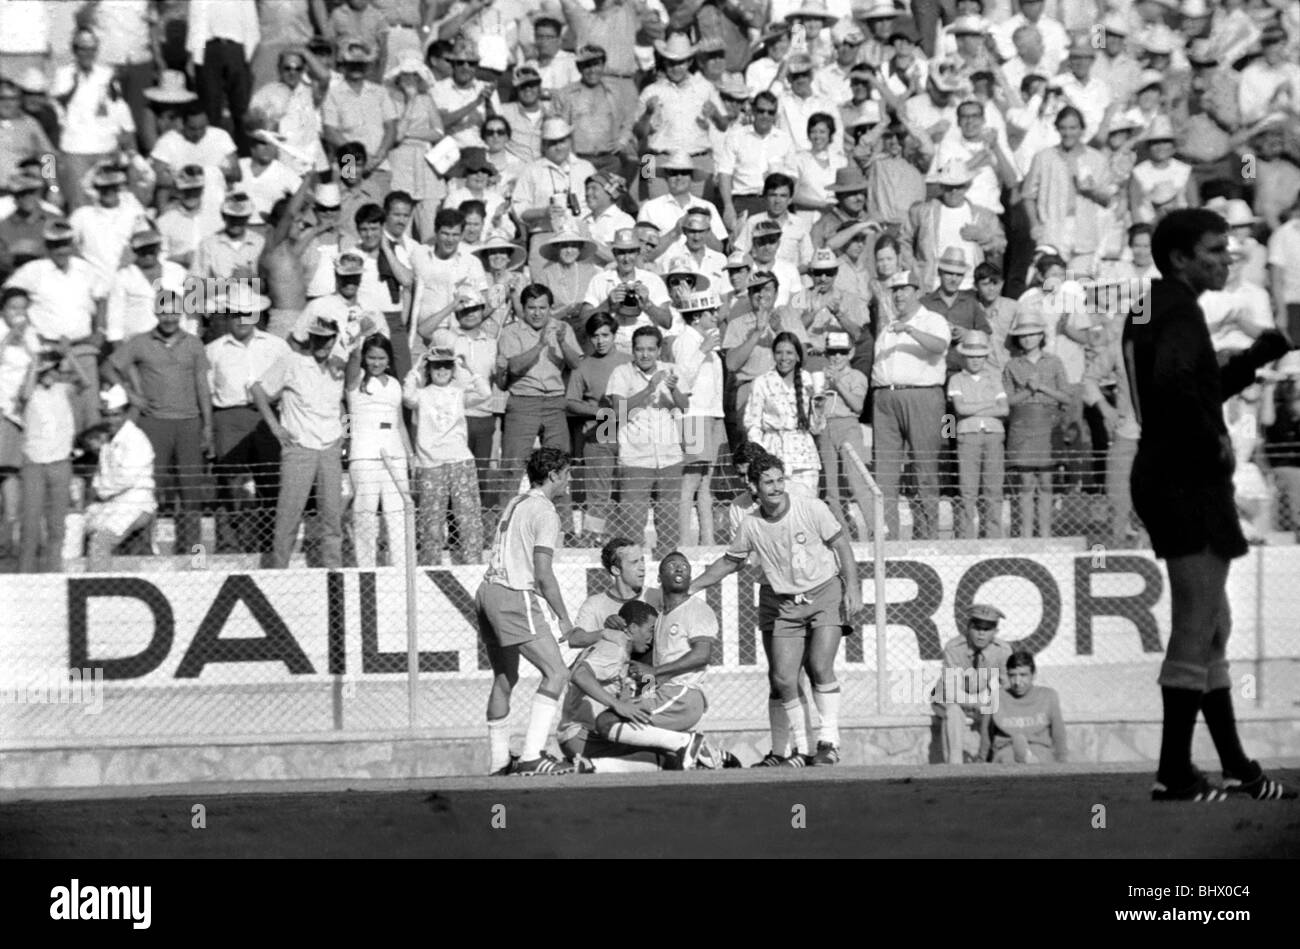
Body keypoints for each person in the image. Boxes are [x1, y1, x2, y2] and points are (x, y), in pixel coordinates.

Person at [1123, 208, 1296, 802]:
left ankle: (1237, 767)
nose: (1229, 258)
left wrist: (1252, 358)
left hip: (1162, 469)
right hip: (1184, 476)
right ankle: (1173, 770)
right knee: (1198, 623)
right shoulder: (1178, 307)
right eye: (1217, 249)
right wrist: (1215, 442)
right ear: (1179, 258)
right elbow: (1176, 388)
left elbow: (1180, 385)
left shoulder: (1148, 302)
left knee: (1213, 625)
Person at [689, 451, 862, 767]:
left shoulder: (810, 507)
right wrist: (692, 587)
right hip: (784, 605)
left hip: (824, 593)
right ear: (754, 487)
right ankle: (802, 748)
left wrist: (853, 586)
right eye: (768, 482)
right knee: (782, 678)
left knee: (820, 665)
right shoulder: (751, 523)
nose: (776, 487)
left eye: (780, 479)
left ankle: (829, 741)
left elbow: (841, 545)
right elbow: (730, 562)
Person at [478, 446, 578, 776]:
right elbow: (543, 574)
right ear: (553, 475)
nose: (569, 479)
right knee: (557, 673)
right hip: (512, 594)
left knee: (505, 677)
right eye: (566, 473)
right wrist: (564, 618)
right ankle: (533, 755)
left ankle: (498, 763)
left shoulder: (516, 501)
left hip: (487, 592)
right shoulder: (545, 511)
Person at [102, 289, 213, 557]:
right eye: (163, 312)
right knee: (150, 492)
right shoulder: (140, 342)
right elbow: (107, 367)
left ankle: (193, 554)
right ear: (155, 313)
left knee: (191, 494)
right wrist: (132, 395)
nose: (169, 318)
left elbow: (202, 386)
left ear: (181, 313)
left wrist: (207, 425)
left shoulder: (194, 344)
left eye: (173, 312)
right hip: (154, 425)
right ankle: (143, 551)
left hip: (188, 423)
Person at [251, 315, 349, 570]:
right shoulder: (291, 361)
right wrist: (276, 428)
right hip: (300, 448)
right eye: (317, 337)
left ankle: (333, 572)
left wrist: (342, 434)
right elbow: (258, 390)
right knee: (288, 516)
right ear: (310, 337)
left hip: (329, 448)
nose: (322, 343)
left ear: (334, 339)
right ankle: (279, 572)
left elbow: (339, 402)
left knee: (332, 518)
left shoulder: (337, 366)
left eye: (328, 338)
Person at [205, 286, 286, 556]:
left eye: (247, 314)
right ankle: (229, 545)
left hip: (267, 419)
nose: (241, 320)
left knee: (269, 482)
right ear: (227, 316)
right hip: (229, 416)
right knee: (230, 483)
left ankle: (268, 543)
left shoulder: (276, 346)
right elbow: (208, 391)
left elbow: (289, 383)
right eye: (235, 314)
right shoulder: (214, 351)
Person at [870, 269, 950, 541]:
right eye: (895, 290)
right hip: (885, 398)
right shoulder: (888, 327)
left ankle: (929, 535)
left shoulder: (932, 319)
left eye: (905, 288)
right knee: (885, 472)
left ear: (918, 291)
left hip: (922, 396)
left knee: (925, 469)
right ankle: (887, 536)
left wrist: (912, 330)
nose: (899, 294)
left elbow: (939, 346)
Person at [603, 325, 688, 556]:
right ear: (633, 350)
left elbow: (685, 405)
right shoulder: (622, 373)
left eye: (651, 349)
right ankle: (633, 570)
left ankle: (667, 568)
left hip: (669, 456)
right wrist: (649, 389)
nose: (645, 354)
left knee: (669, 522)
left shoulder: (671, 370)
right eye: (640, 349)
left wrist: (675, 389)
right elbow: (618, 411)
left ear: (659, 350)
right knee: (632, 523)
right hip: (635, 458)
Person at [404, 339, 489, 565]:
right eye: (436, 366)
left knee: (468, 518)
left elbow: (485, 393)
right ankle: (430, 566)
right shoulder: (422, 394)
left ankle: (473, 565)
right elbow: (407, 397)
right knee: (431, 521)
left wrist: (470, 367)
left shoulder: (459, 393)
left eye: (446, 366)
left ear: (452, 369)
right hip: (430, 464)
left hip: (460, 462)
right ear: (429, 369)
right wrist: (416, 368)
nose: (441, 370)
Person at [346, 333, 411, 568]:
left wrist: (410, 455)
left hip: (395, 454)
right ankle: (366, 568)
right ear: (364, 357)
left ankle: (401, 567)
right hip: (365, 453)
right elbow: (347, 419)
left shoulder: (394, 384)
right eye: (371, 357)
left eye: (381, 358)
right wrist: (356, 342)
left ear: (389, 359)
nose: (376, 362)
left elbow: (400, 422)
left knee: (398, 515)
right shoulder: (357, 378)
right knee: (365, 515)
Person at [1003, 310, 1070, 538]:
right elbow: (1006, 402)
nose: (1028, 339)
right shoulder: (1012, 365)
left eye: (1033, 334)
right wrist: (1027, 391)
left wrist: (1042, 388)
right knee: (1025, 484)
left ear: (1041, 335)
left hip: (1048, 424)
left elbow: (1066, 397)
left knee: (1046, 483)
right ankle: (1025, 536)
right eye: (1023, 335)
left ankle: (1045, 534)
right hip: (1022, 425)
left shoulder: (1054, 362)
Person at [668, 290, 726, 547]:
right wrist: (702, 351)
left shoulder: (708, 342)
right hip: (693, 416)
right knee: (690, 482)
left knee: (705, 482)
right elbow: (681, 380)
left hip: (712, 415)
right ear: (695, 317)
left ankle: (708, 540)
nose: (715, 316)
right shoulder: (686, 341)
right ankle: (684, 540)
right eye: (709, 312)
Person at [83, 384, 156, 572]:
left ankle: (97, 588)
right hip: (111, 504)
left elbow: (126, 478)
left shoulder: (135, 439)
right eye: (106, 415)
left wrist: (100, 490)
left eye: (115, 414)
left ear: (124, 414)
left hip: (135, 503)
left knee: (100, 541)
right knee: (79, 528)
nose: (110, 420)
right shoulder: (108, 440)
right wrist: (97, 491)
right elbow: (100, 475)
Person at [932, 603, 1012, 764]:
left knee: (1002, 710)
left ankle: (998, 761)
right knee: (953, 712)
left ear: (995, 632)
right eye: (977, 628)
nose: (981, 634)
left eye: (987, 629)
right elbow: (952, 690)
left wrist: (993, 703)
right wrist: (980, 704)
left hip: (981, 700)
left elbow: (1007, 685)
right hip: (949, 698)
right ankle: (954, 767)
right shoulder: (954, 647)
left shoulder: (1002, 650)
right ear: (968, 627)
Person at [745, 331, 824, 495]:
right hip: (773, 452)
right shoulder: (762, 382)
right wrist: (760, 457)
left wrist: (819, 407)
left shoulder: (807, 379)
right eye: (779, 352)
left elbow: (816, 428)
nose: (784, 358)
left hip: (804, 457)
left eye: (789, 353)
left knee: (807, 507)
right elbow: (752, 423)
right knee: (777, 507)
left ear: (798, 356)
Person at [948, 329, 1008, 539]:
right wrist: (989, 405)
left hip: (993, 434)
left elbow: (1004, 409)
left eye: (979, 356)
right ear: (964, 357)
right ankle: (966, 537)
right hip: (968, 435)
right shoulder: (956, 380)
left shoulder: (995, 378)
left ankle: (993, 536)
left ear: (986, 357)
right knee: (968, 489)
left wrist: (973, 407)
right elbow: (960, 410)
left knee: (993, 489)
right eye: (971, 357)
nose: (975, 361)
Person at [816, 330, 873, 541]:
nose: (836, 357)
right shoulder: (820, 376)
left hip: (848, 425)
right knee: (831, 488)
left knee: (856, 480)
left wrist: (837, 382)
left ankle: (877, 531)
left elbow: (857, 406)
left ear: (851, 353)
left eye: (841, 352)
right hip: (825, 428)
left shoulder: (857, 376)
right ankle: (843, 536)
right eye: (832, 352)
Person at [980, 649, 1067, 763]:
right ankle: (1024, 757)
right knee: (1007, 760)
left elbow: (1058, 733)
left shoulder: (1048, 696)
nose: (1017, 682)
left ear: (1034, 675)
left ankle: (1028, 759)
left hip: (1039, 747)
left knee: (1042, 758)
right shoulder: (996, 697)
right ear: (1007, 675)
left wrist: (1062, 760)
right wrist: (982, 760)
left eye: (1023, 675)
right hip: (1007, 748)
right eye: (1012, 675)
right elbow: (987, 734)